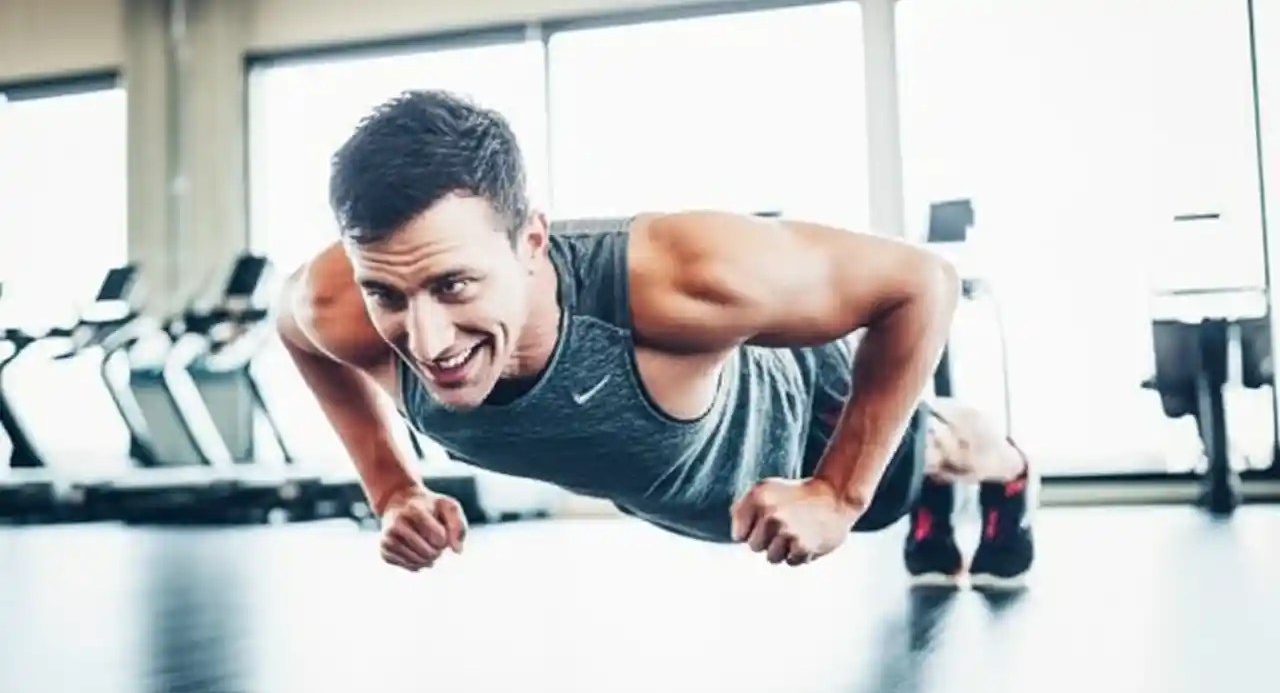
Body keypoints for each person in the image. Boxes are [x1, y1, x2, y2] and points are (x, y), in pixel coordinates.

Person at [276, 89, 1036, 588]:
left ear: (531, 243)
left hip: (806, 415)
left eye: (454, 286)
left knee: (929, 453)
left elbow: (921, 282)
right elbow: (296, 330)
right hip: (679, 491)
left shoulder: (678, 277)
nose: (427, 342)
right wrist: (392, 487)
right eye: (388, 295)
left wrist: (837, 494)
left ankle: (1005, 472)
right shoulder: (341, 300)